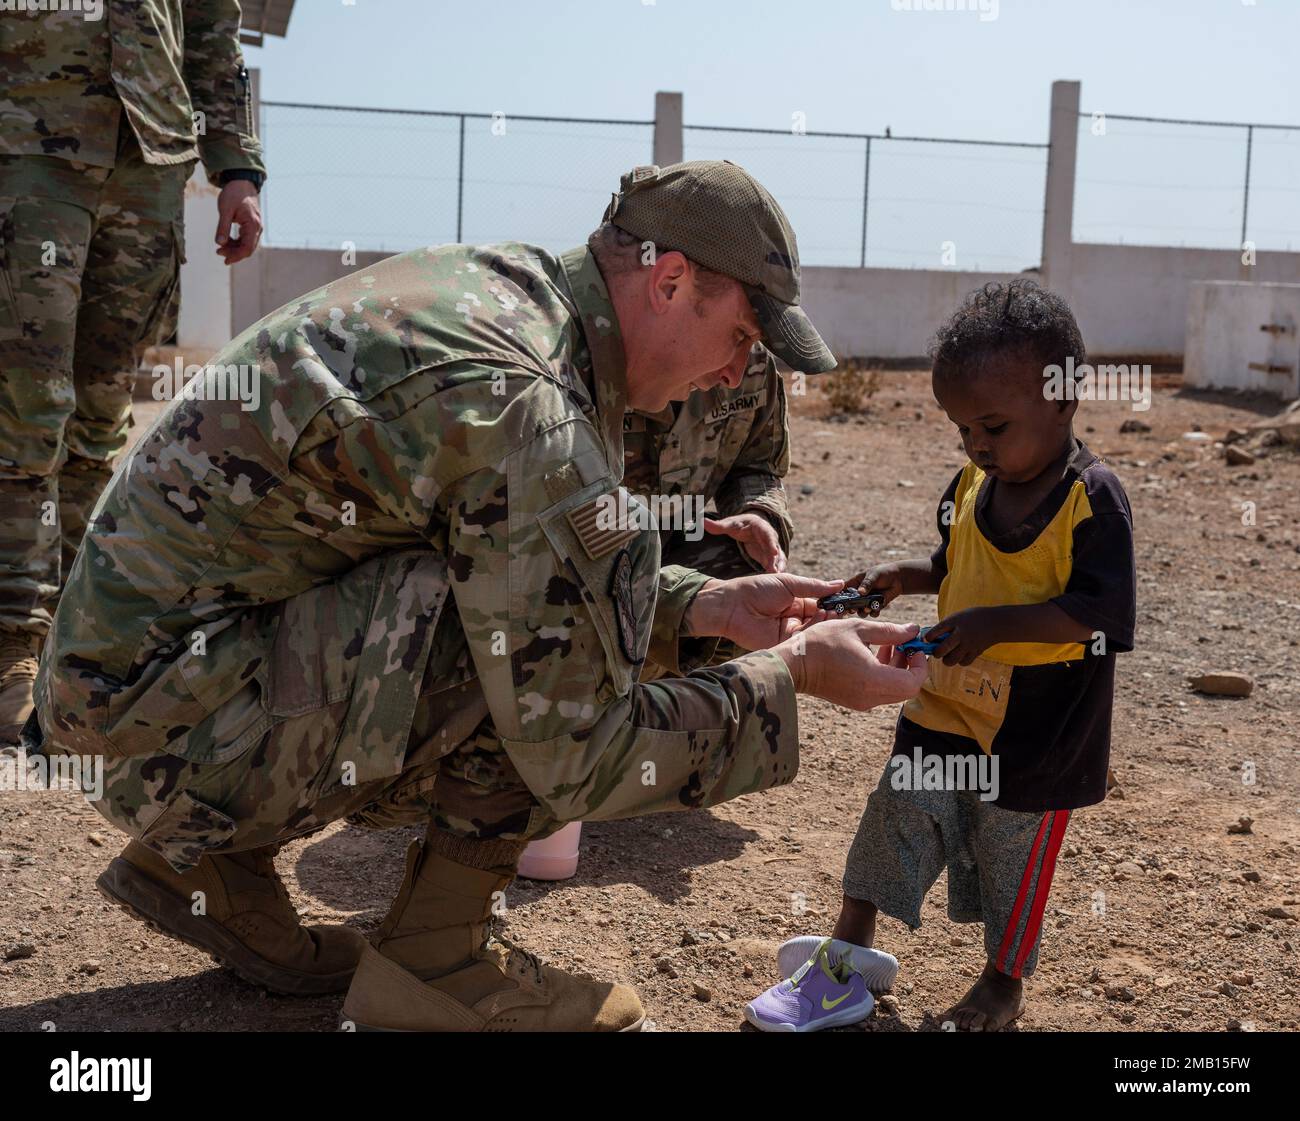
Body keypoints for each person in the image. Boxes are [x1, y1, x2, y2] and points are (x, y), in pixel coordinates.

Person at [30, 160, 928, 1031]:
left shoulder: (514, 296)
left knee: (524, 600)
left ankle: (216, 866)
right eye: (741, 336)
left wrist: (706, 607)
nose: (738, 374)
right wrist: (794, 673)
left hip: (136, 689)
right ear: (670, 280)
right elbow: (578, 746)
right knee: (533, 652)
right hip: (156, 731)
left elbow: (516, 552)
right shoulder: (527, 406)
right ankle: (438, 959)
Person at [744, 280, 1135, 1033]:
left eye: (992, 425)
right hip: (947, 704)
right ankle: (847, 955)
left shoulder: (1094, 499)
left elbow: (1102, 616)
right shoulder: (970, 486)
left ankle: (1002, 983)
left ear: (1064, 398)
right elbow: (953, 563)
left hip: (1039, 730)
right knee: (895, 812)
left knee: (1010, 860)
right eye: (963, 430)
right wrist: (902, 578)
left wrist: (995, 624)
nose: (977, 446)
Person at [0, 1, 266, 747]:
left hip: (149, 153)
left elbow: (213, 27)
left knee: (101, 408)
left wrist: (236, 167)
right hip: (26, 136)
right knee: (26, 406)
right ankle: (11, 647)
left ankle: (63, 640)